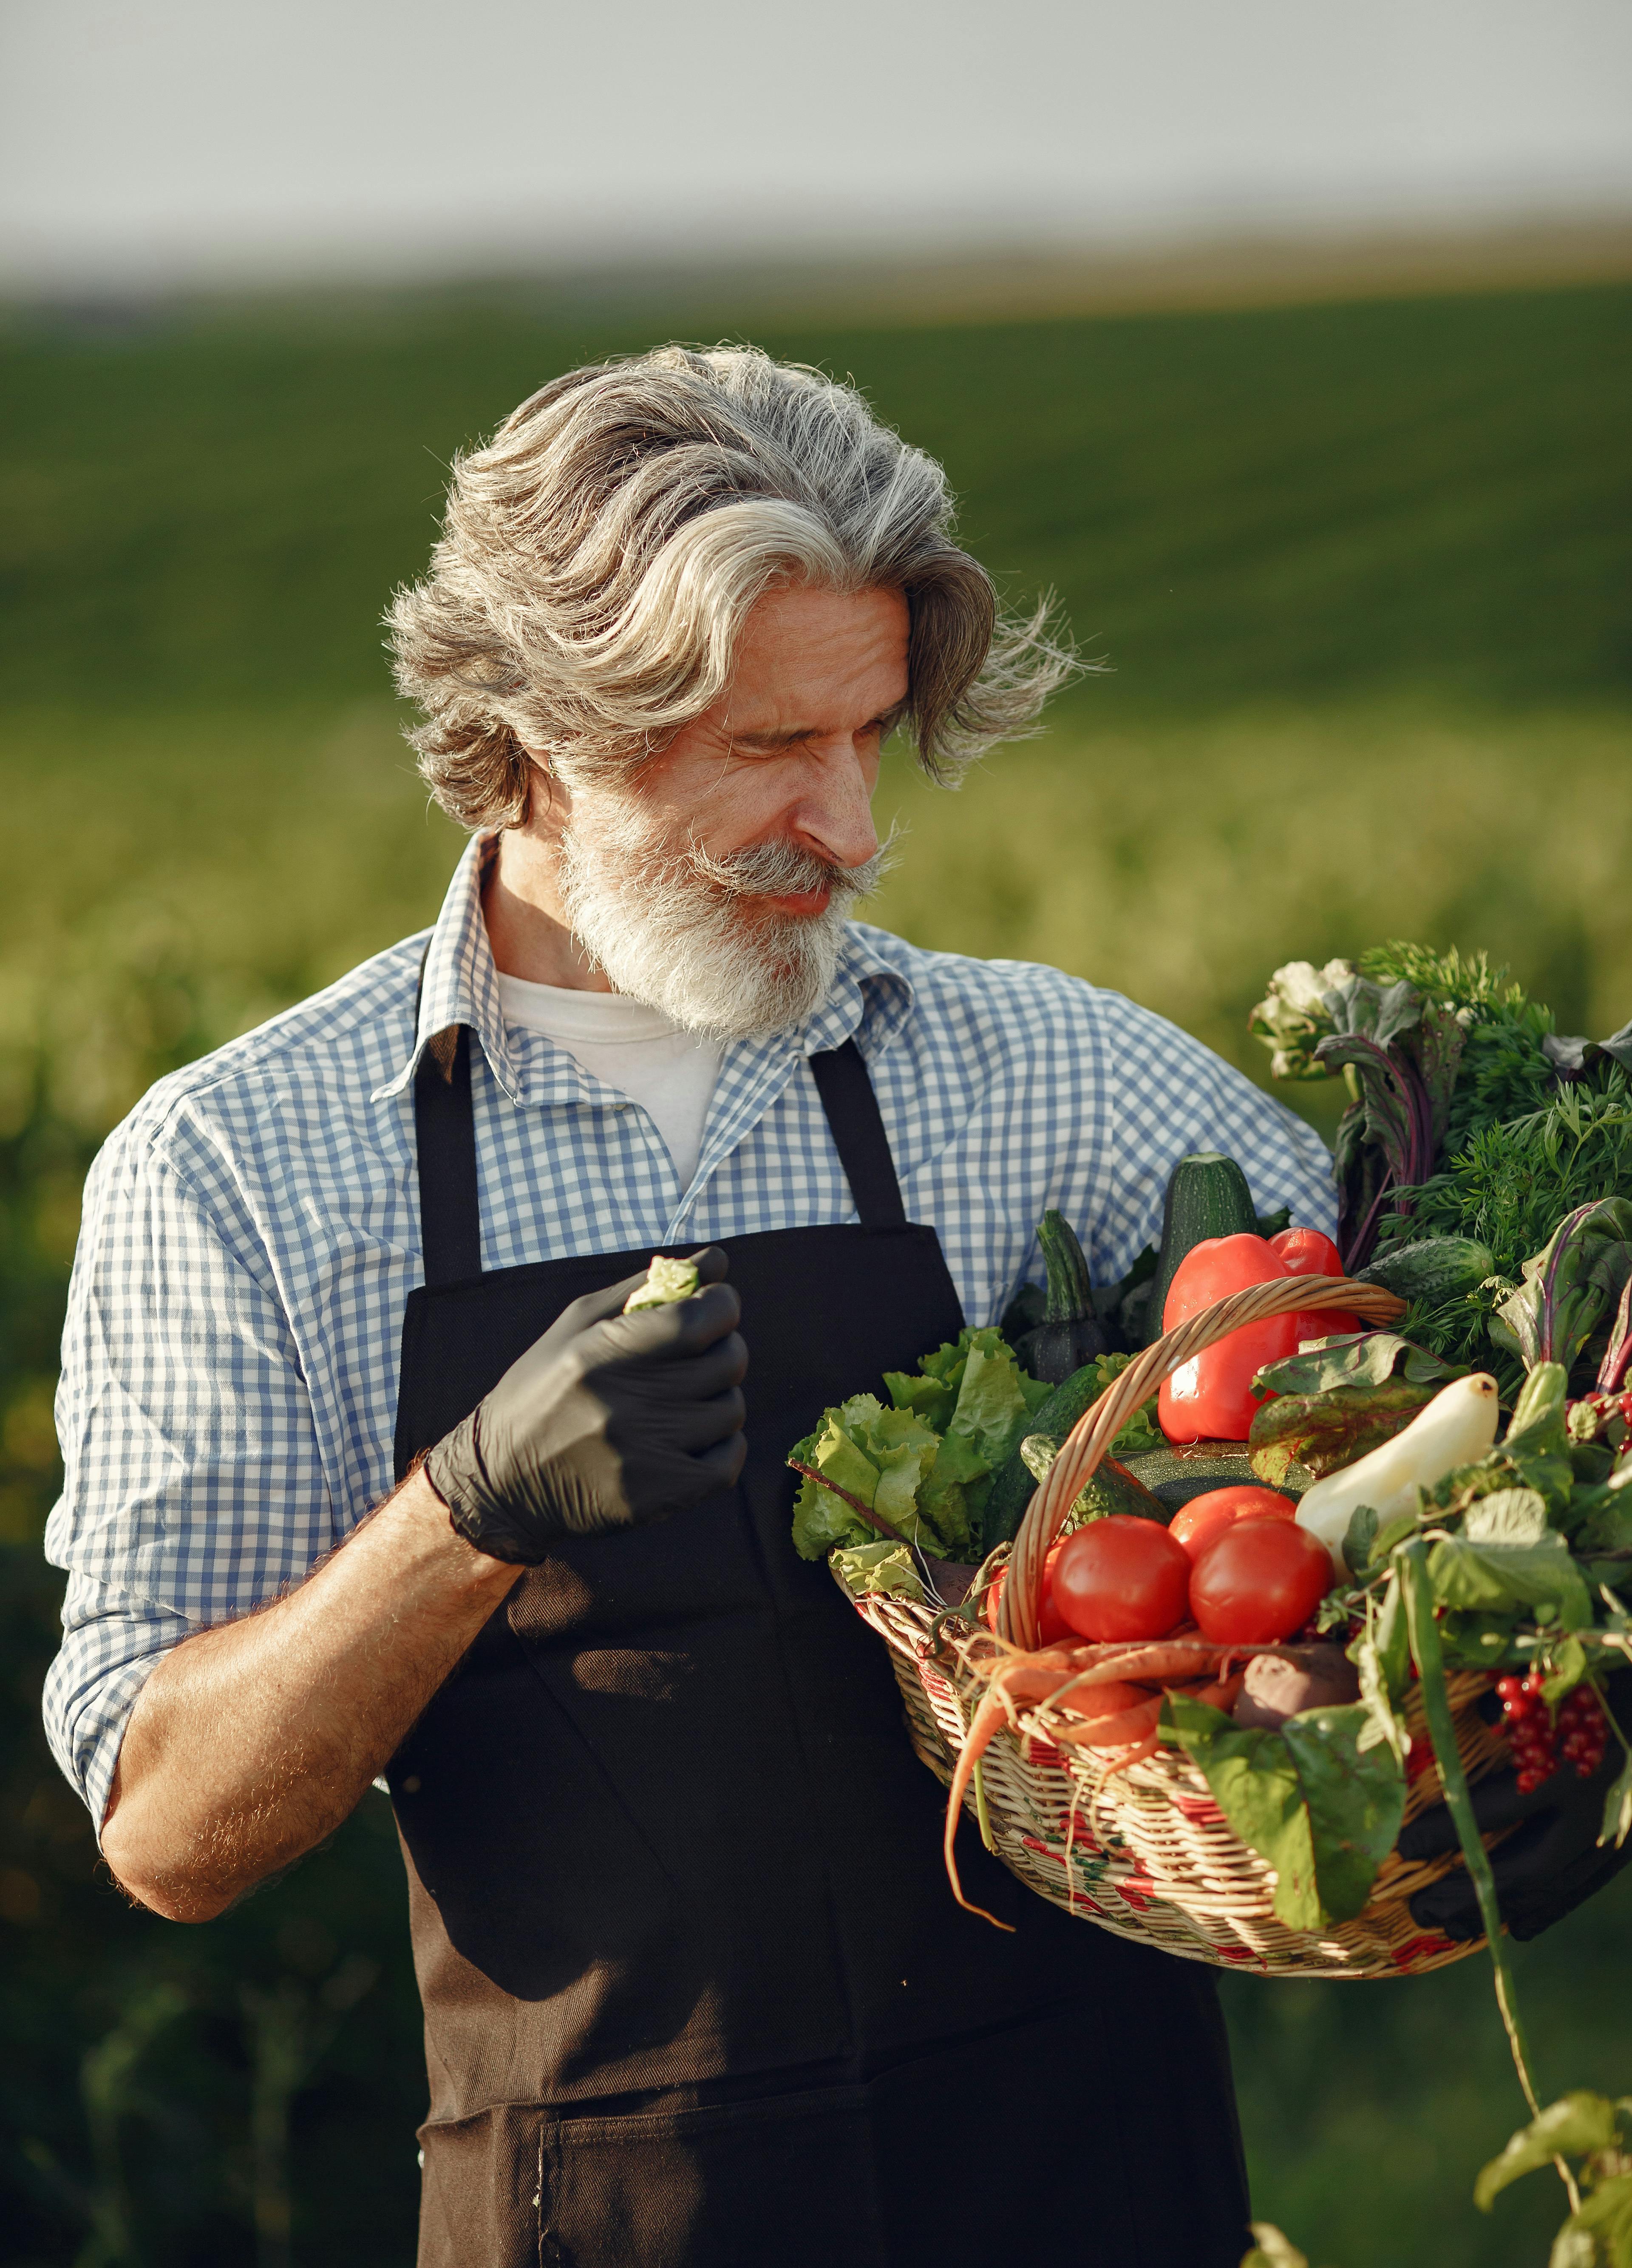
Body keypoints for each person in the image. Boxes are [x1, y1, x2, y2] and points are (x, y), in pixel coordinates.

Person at [39, 346, 1410, 2265]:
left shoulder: (1052, 1083)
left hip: (1086, 2169)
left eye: (867, 738)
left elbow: (1420, 1356)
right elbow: (168, 1831)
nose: (848, 829)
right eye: (770, 749)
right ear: (529, 733)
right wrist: (463, 1518)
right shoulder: (251, 1170)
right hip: (603, 2215)